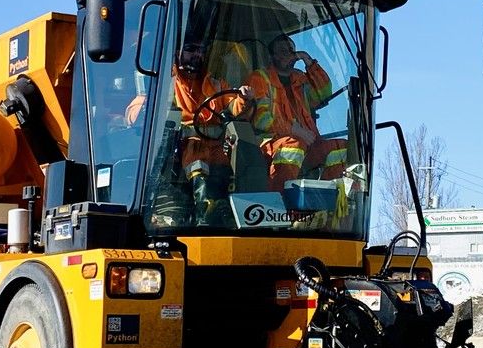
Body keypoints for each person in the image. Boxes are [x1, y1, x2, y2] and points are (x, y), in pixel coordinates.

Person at [126, 39, 251, 225]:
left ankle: (223, 209)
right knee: (197, 159)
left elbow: (232, 106)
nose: (197, 55)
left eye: (201, 50)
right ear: (176, 53)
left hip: (216, 149)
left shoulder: (215, 83)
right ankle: (205, 209)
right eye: (191, 49)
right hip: (181, 151)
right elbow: (134, 112)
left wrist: (243, 98)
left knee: (234, 166)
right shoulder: (165, 83)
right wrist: (143, 110)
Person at [247, 34, 348, 192]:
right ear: (271, 56)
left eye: (291, 50)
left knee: (341, 147)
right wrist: (294, 130)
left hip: (308, 143)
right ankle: (279, 201)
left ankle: (326, 200)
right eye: (282, 51)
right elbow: (261, 120)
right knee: (293, 145)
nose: (288, 54)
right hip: (269, 145)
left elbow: (324, 92)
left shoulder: (300, 79)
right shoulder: (260, 78)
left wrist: (308, 60)